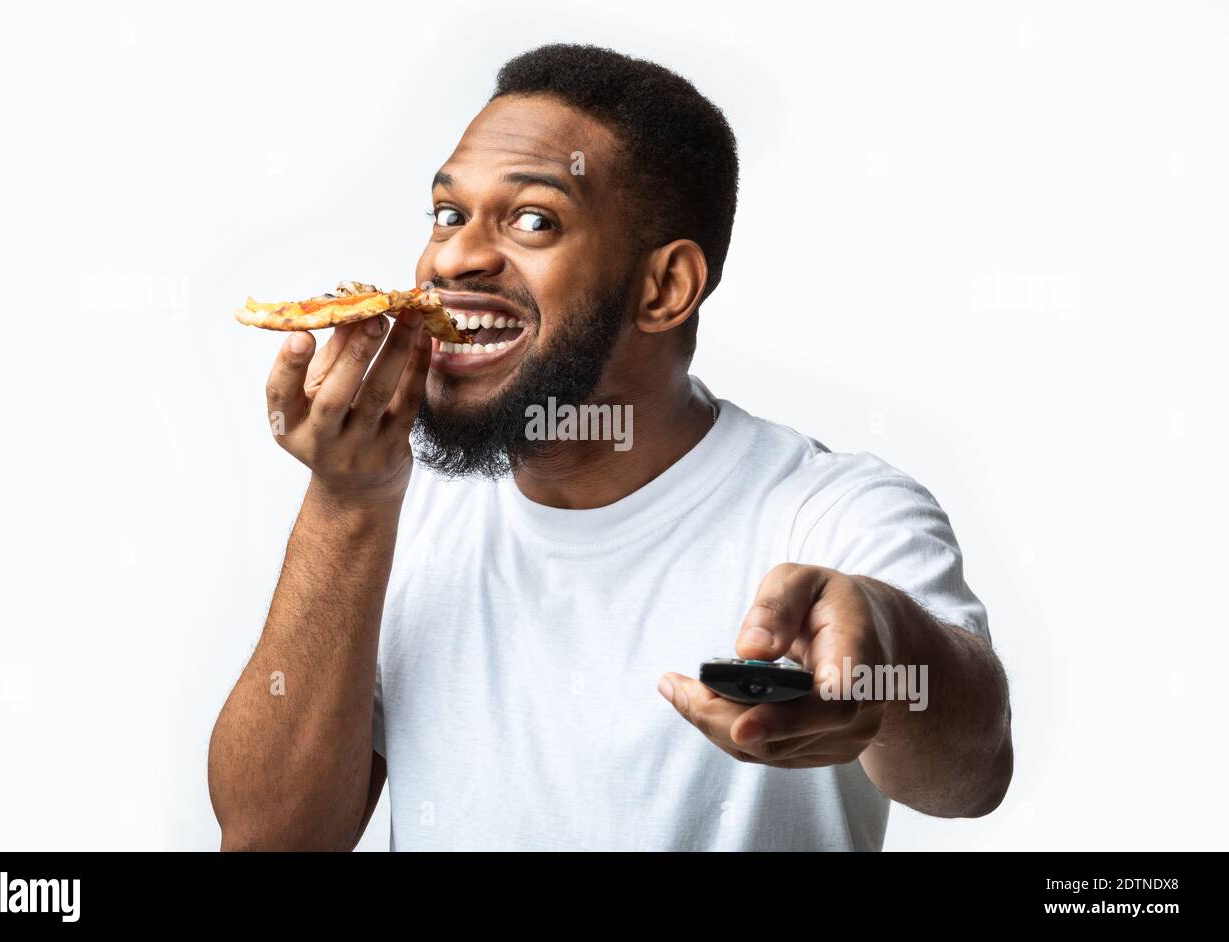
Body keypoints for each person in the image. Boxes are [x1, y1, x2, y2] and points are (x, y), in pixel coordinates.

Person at [208, 43, 1013, 851]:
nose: (452, 259)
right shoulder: (396, 510)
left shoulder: (830, 510)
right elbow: (270, 841)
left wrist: (885, 648)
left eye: (532, 220)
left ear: (664, 288)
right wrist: (348, 502)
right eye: (448, 215)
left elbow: (974, 771)